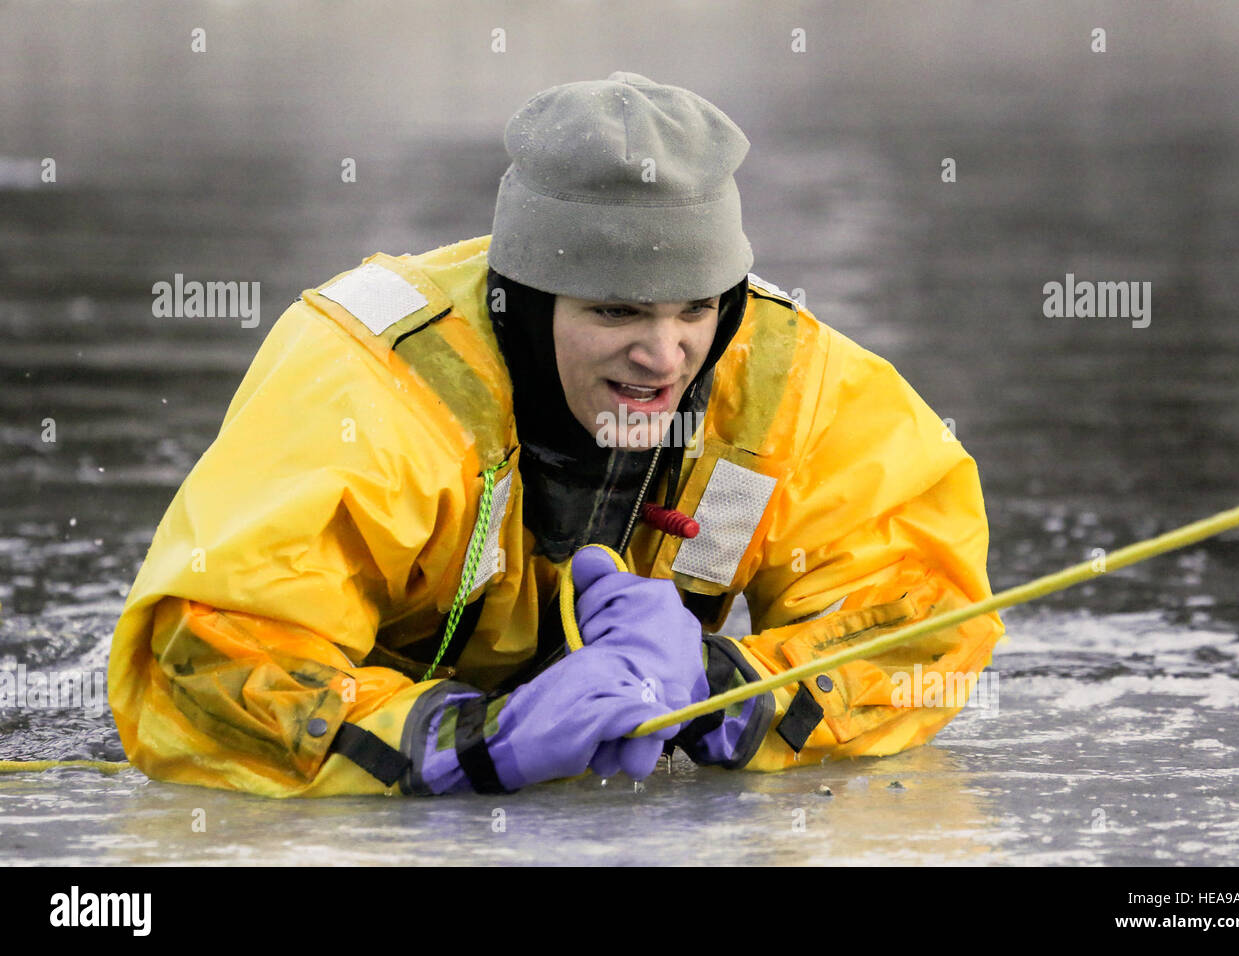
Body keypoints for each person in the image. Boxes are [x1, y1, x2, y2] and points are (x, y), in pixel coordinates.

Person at [108, 71, 1005, 797]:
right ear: (523, 308)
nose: (665, 355)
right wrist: (466, 744)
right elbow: (210, 658)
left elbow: (921, 612)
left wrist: (720, 687)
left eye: (697, 308)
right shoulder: (371, 392)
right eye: (615, 311)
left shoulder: (786, 385)